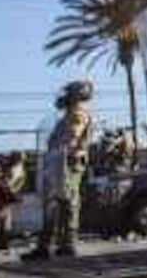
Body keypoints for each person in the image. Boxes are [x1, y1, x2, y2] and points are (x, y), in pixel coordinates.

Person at [22, 81, 93, 261]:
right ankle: (57, 245)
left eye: (69, 93)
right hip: (62, 160)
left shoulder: (77, 114)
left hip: (68, 162)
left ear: (76, 95)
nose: (64, 97)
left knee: (65, 202)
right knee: (59, 203)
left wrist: (60, 150)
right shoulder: (70, 114)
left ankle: (61, 245)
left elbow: (71, 138)